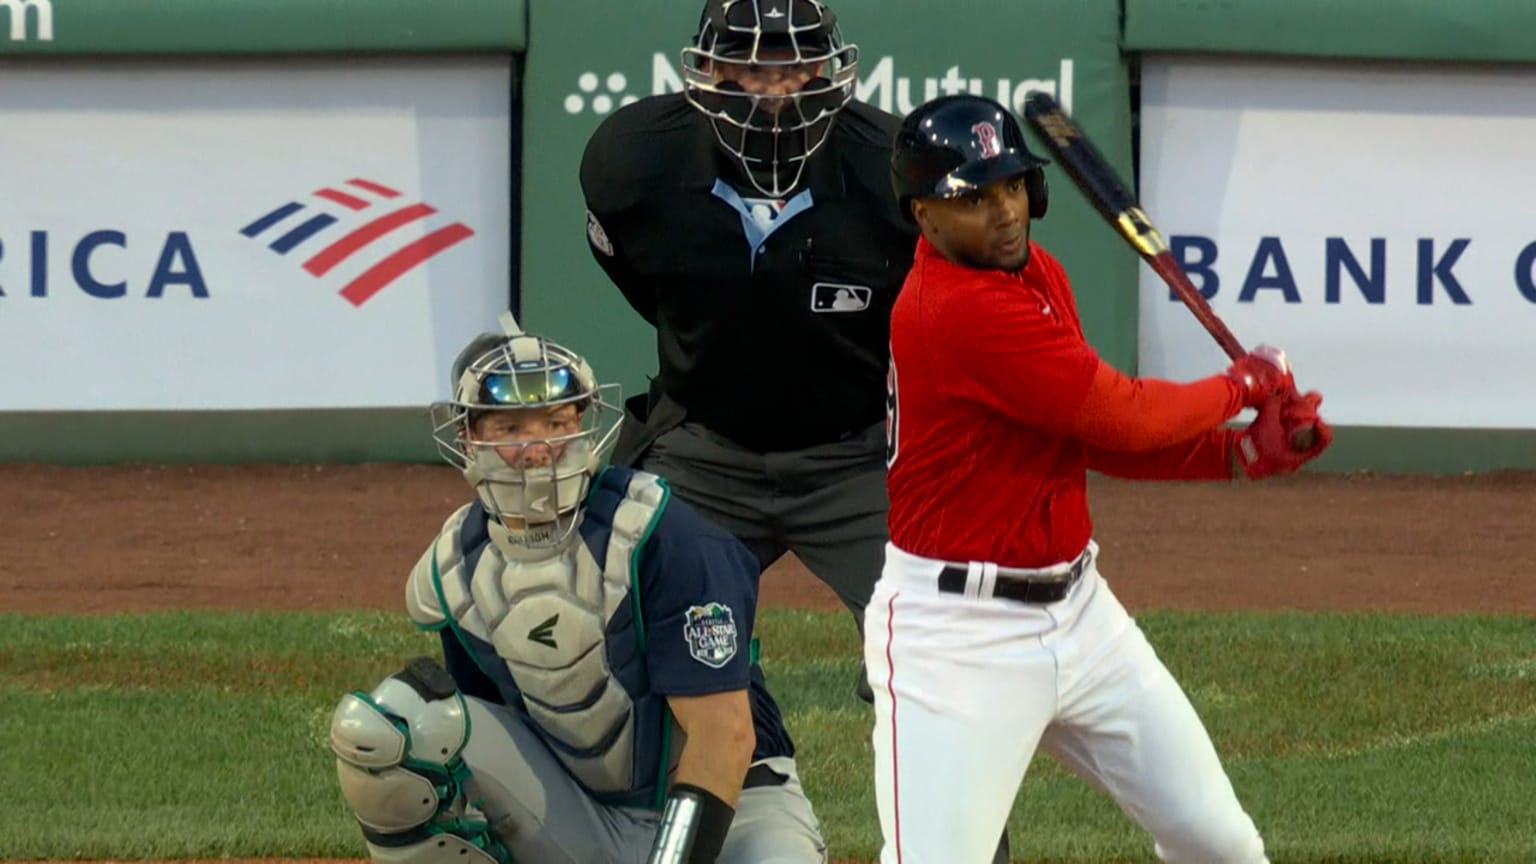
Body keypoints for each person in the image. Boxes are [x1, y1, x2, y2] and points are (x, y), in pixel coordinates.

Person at [865, 94, 1334, 864]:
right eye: (975, 198)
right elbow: (1128, 416)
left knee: (1220, 844)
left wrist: (1236, 455)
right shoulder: (955, 309)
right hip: (954, 642)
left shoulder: (1038, 273)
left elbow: (1095, 437)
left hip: (1082, 616)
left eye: (1012, 186)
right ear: (923, 214)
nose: (1005, 210)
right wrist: (1244, 388)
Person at [327, 314, 827, 864]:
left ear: (583, 422)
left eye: (554, 421)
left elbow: (725, 738)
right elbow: (488, 733)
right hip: (588, 812)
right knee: (395, 725)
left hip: (736, 808)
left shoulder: (661, 535)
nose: (537, 447)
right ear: (468, 436)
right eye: (510, 428)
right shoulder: (454, 570)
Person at [579, 0, 918, 705]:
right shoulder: (633, 163)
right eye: (748, 66)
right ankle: (672, 810)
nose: (773, 89)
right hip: (705, 452)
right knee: (613, 649)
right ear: (706, 69)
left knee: (932, 658)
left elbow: (930, 324)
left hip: (857, 461)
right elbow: (645, 284)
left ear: (829, 68)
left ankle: (962, 822)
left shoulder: (892, 171)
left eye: (793, 67)